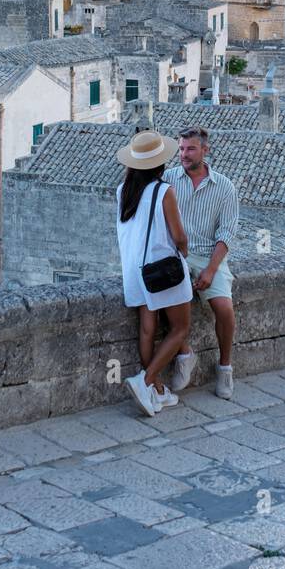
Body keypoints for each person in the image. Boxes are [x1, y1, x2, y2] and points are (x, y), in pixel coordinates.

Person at [116, 130, 192, 417]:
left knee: (147, 329)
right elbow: (179, 236)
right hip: (161, 270)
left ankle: (157, 391)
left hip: (134, 271)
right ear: (160, 163)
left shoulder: (122, 191)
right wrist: (183, 253)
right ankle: (144, 380)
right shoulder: (164, 191)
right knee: (180, 328)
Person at [164, 126, 239, 399]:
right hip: (176, 255)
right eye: (181, 149)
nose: (184, 154)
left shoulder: (225, 187)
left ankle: (225, 367)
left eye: (190, 149)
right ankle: (185, 354)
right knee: (161, 300)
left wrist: (210, 269)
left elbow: (227, 233)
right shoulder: (168, 180)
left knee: (224, 308)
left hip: (210, 256)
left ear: (205, 151)